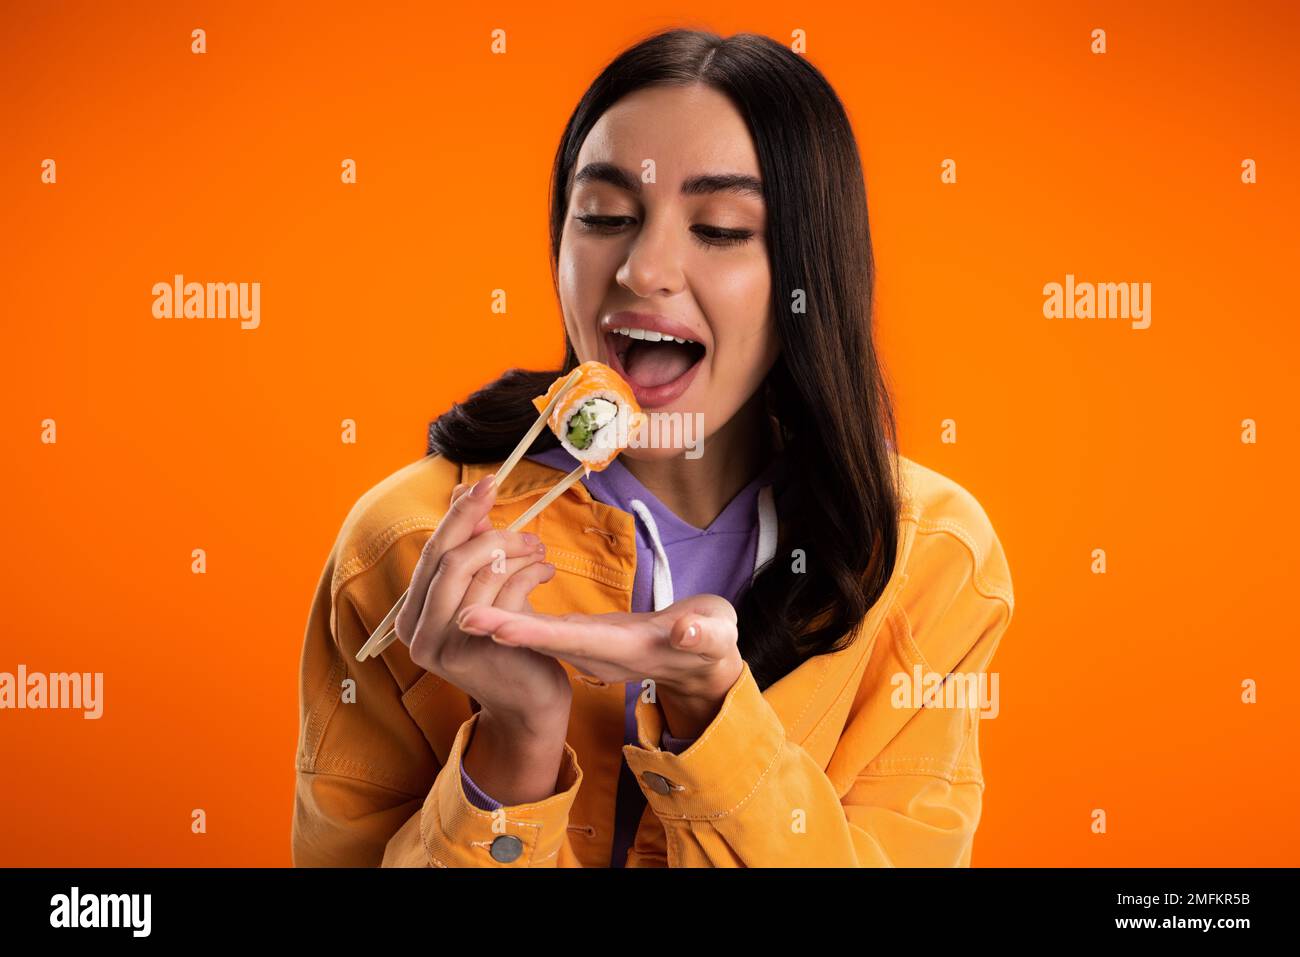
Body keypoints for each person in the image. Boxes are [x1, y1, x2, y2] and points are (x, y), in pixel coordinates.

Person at [292, 28, 1014, 868]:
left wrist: (711, 707)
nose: (644, 268)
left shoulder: (927, 556)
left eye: (718, 228)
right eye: (604, 216)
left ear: (806, 275)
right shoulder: (408, 541)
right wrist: (514, 748)